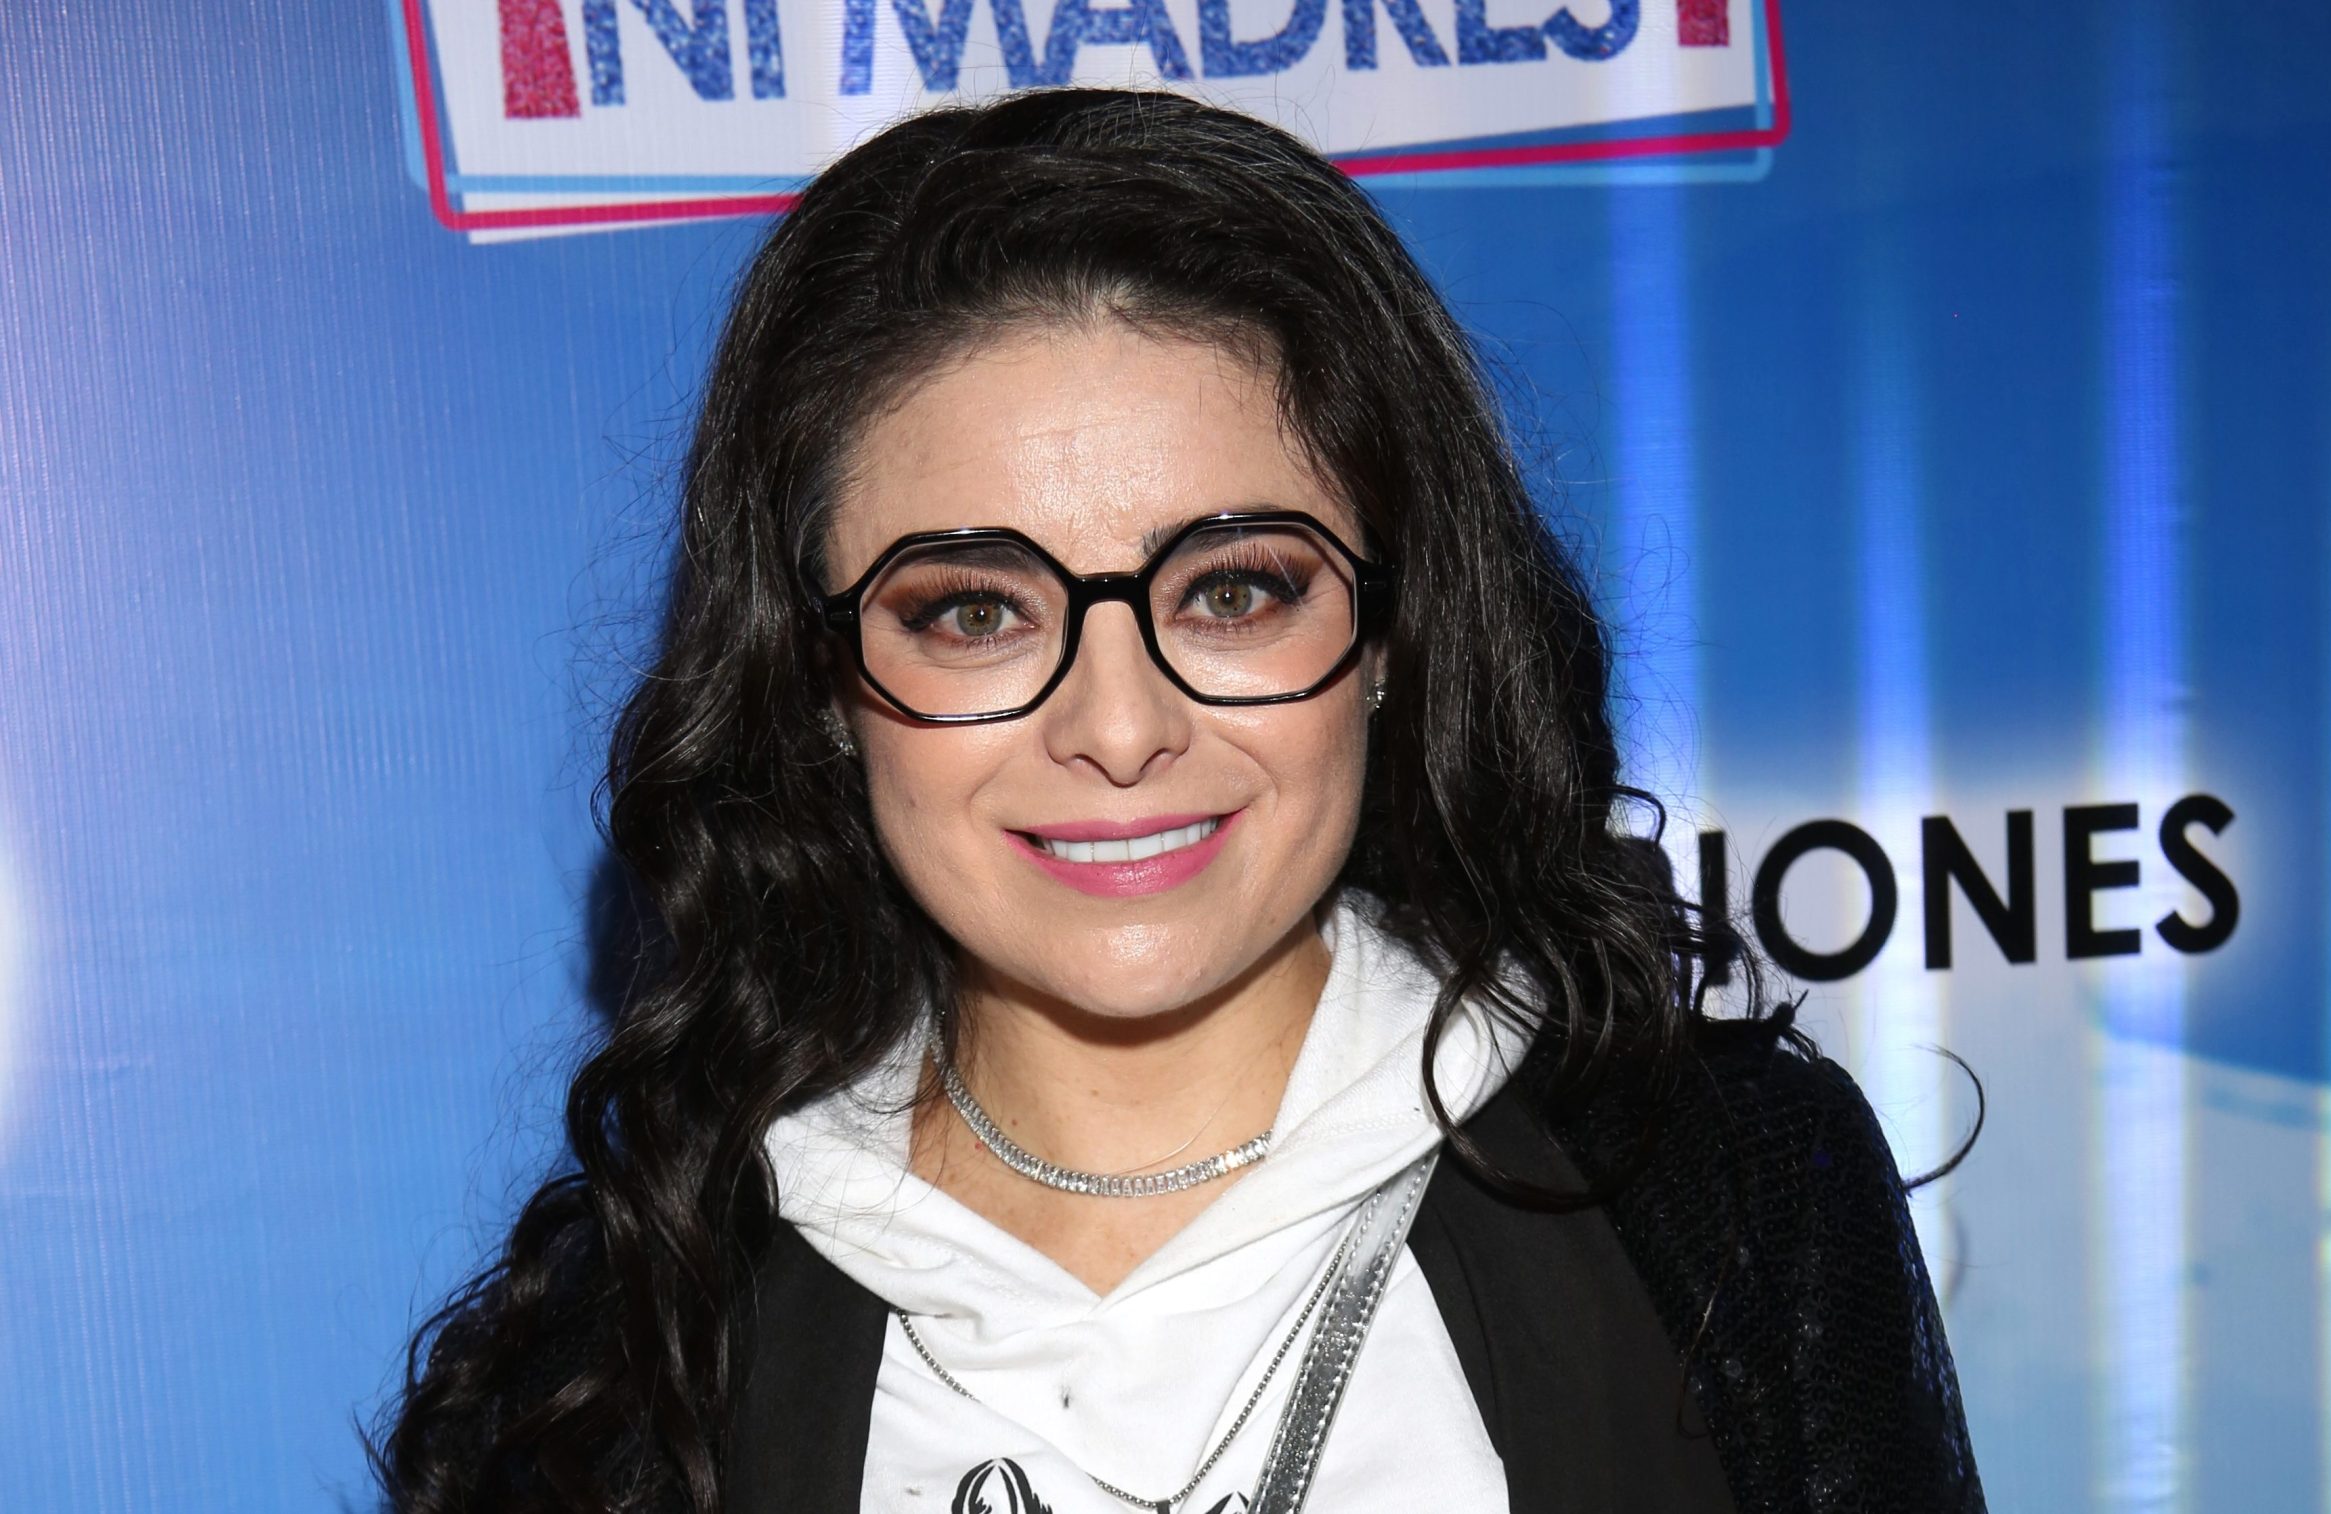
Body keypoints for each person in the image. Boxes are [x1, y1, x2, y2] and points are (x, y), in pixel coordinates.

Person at [373, 87, 1985, 1514]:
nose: (1120, 726)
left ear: (1390, 637)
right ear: (817, 685)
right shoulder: (629, 1343)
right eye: (974, 609)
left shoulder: (1722, 1197)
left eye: (1232, 589)